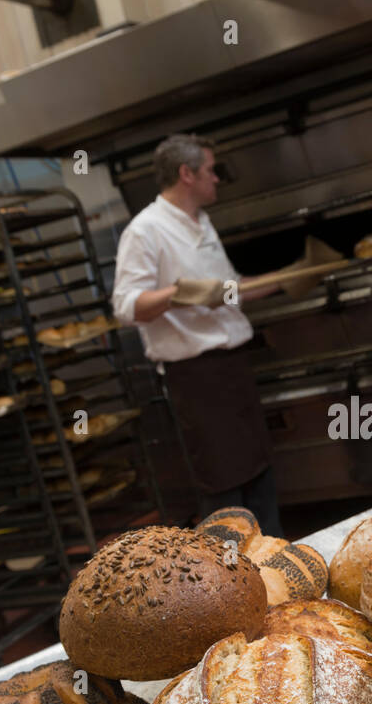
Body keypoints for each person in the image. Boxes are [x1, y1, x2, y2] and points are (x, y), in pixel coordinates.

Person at [112, 133, 284, 536]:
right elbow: (126, 306)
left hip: (233, 365)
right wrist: (180, 293)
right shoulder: (146, 231)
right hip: (196, 375)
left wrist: (286, 279)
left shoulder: (200, 222)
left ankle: (278, 570)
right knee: (223, 482)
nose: (217, 179)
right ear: (186, 174)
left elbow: (226, 288)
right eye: (210, 170)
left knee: (258, 472)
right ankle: (231, 583)